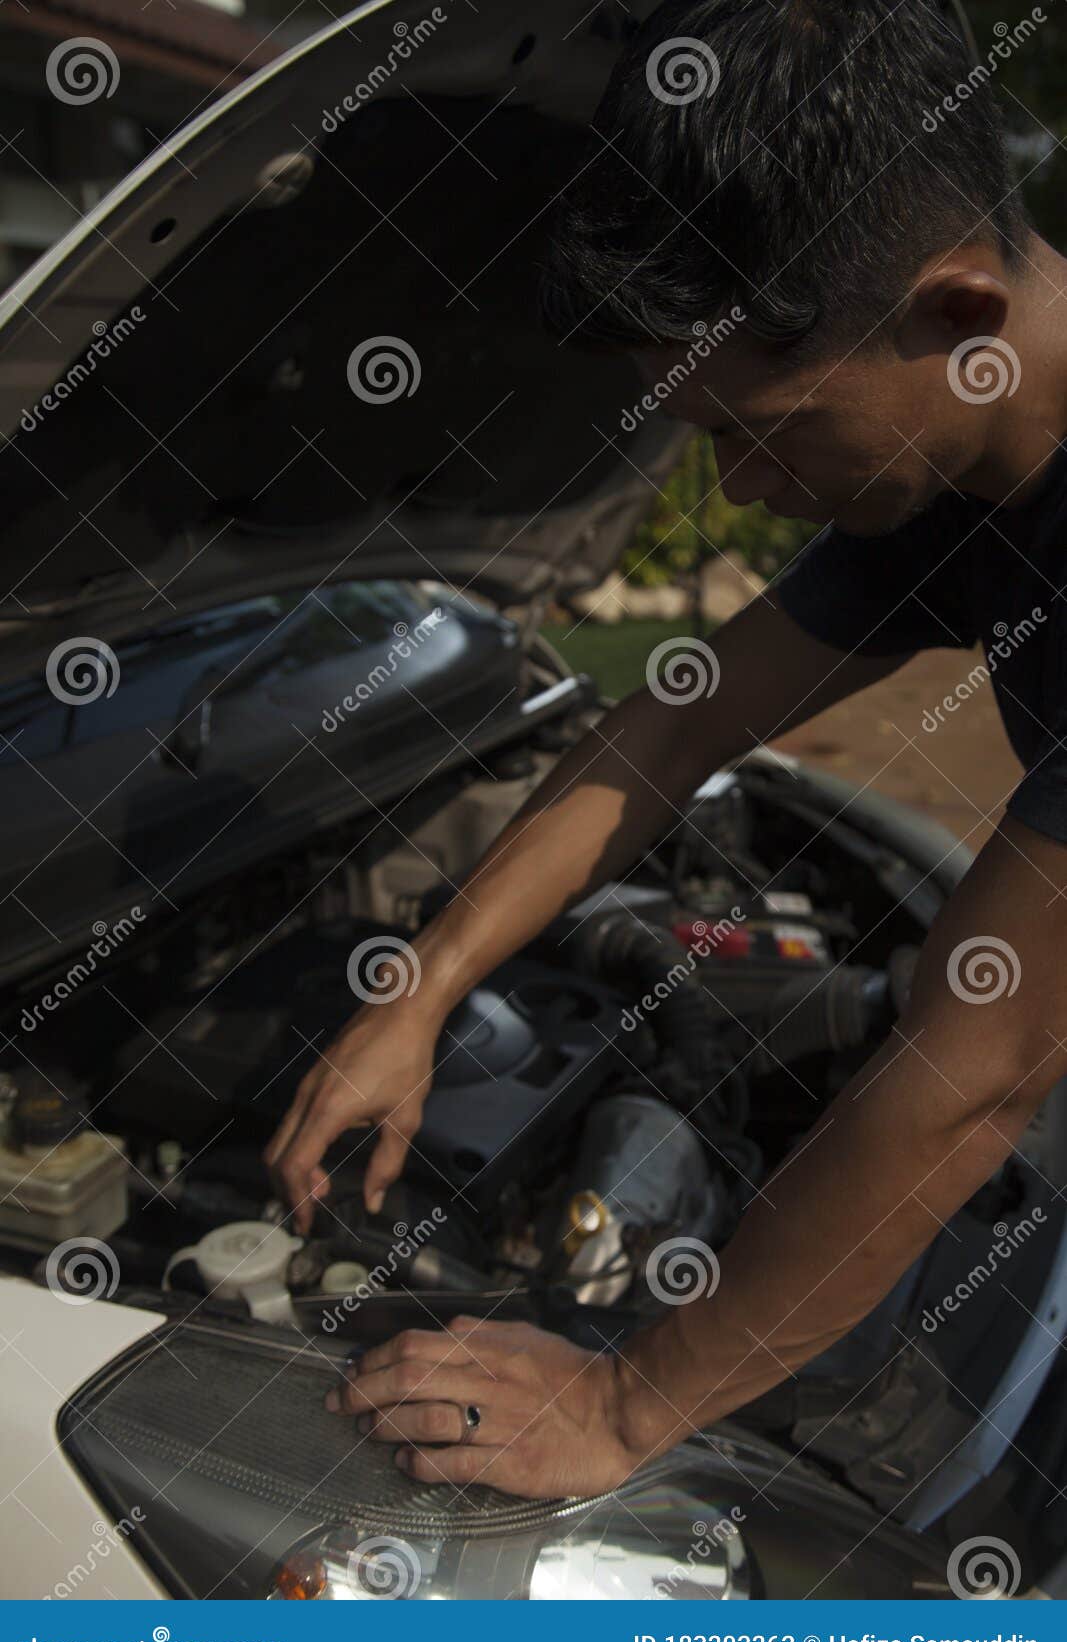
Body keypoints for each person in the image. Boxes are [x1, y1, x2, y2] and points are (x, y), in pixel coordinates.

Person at [265, 0, 1067, 1499]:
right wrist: (430, 982)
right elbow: (682, 714)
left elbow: (983, 1064)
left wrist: (628, 1400)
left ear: (957, 314)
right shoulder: (966, 457)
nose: (751, 487)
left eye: (771, 429)